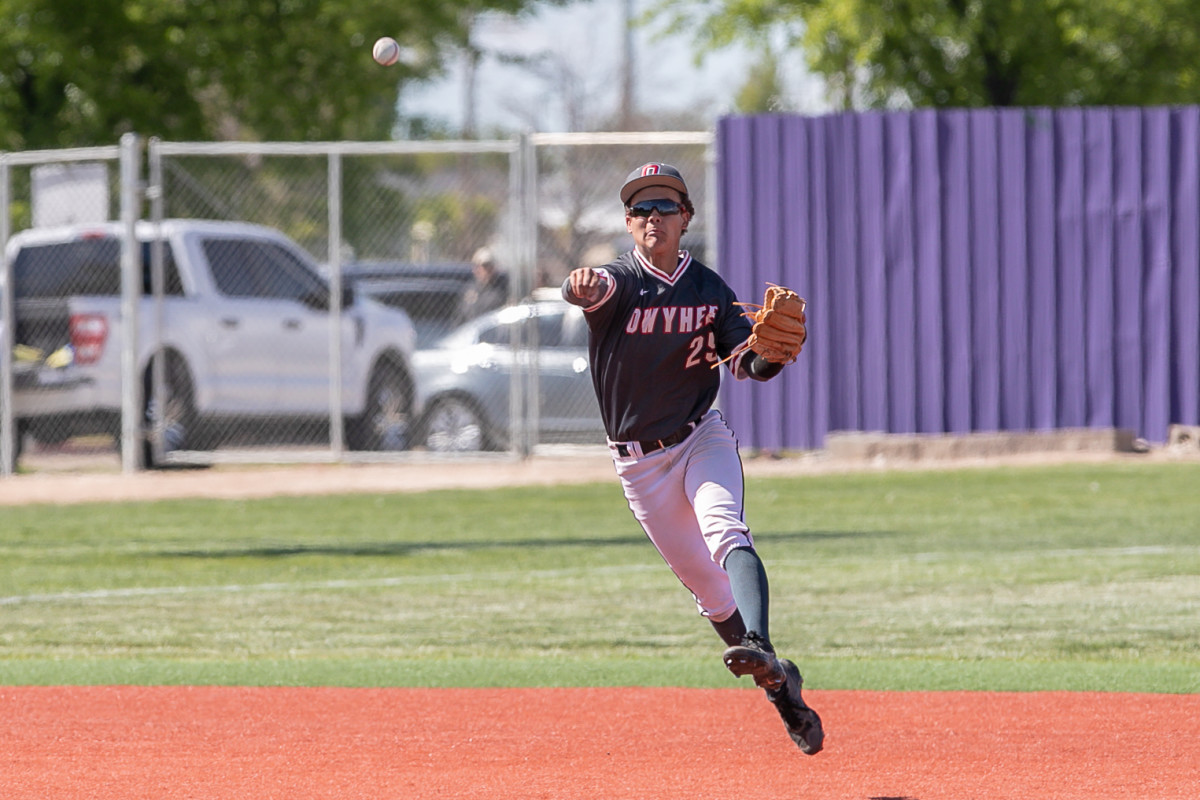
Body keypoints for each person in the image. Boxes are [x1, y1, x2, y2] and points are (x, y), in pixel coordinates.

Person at [561, 163, 823, 754]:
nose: (653, 218)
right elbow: (590, 287)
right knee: (710, 594)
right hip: (638, 466)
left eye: (664, 206)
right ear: (629, 224)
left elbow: (748, 364)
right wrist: (577, 286)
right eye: (641, 210)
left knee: (724, 527)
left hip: (699, 436)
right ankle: (784, 690)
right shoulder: (620, 283)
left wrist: (773, 357)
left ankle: (757, 640)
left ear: (686, 217)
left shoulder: (709, 290)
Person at [457, 246, 509, 323]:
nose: (487, 270)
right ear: (475, 269)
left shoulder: (501, 289)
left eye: (490, 266)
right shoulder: (469, 290)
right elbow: (460, 316)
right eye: (484, 266)